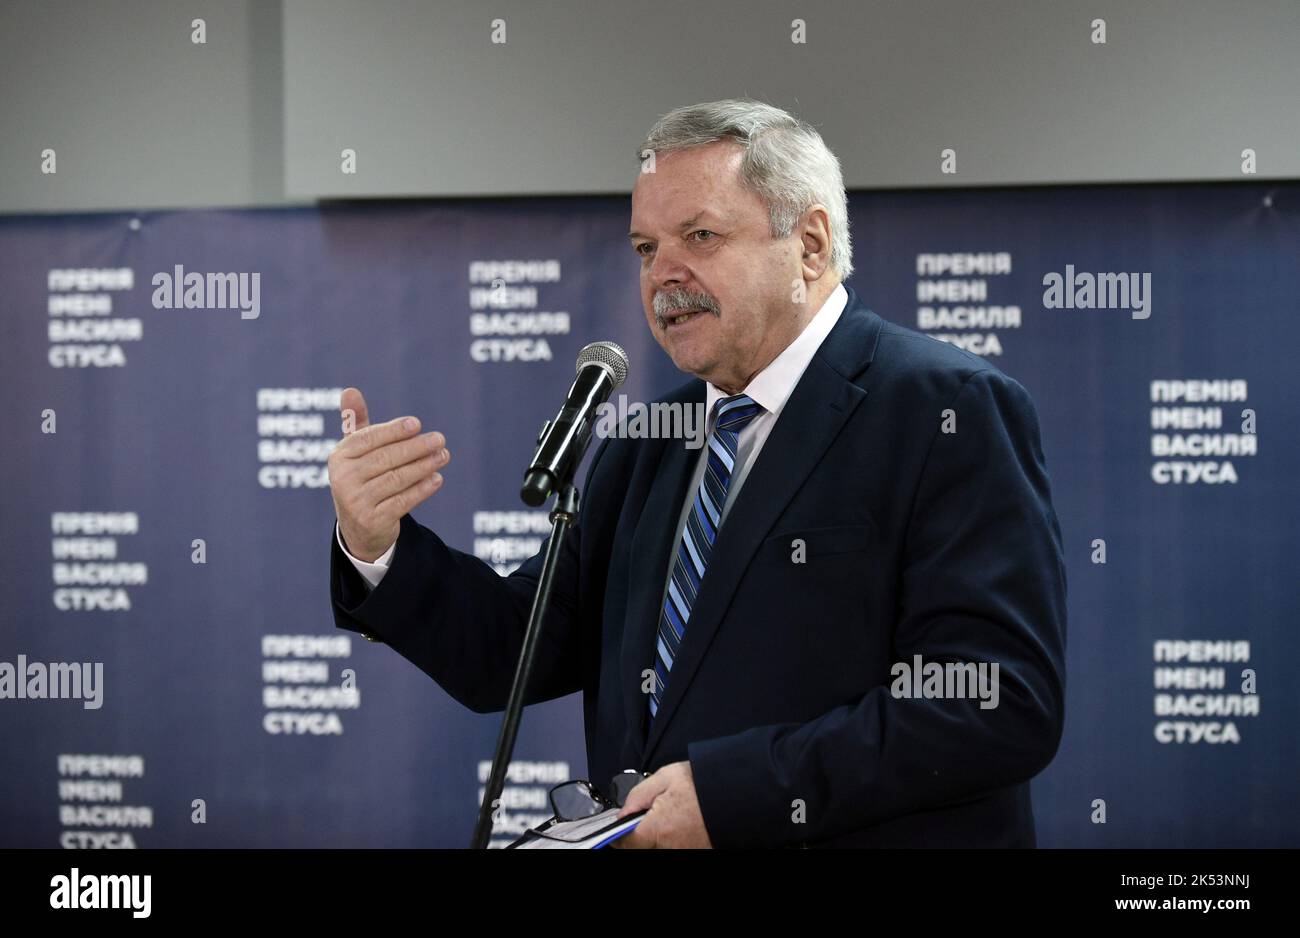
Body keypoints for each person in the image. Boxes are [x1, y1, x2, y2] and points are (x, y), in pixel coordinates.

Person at [327, 99, 1067, 848]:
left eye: (700, 237)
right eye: (646, 248)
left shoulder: (945, 411)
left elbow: (996, 703)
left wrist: (732, 794)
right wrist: (375, 542)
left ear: (808, 245)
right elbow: (511, 652)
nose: (663, 276)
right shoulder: (648, 440)